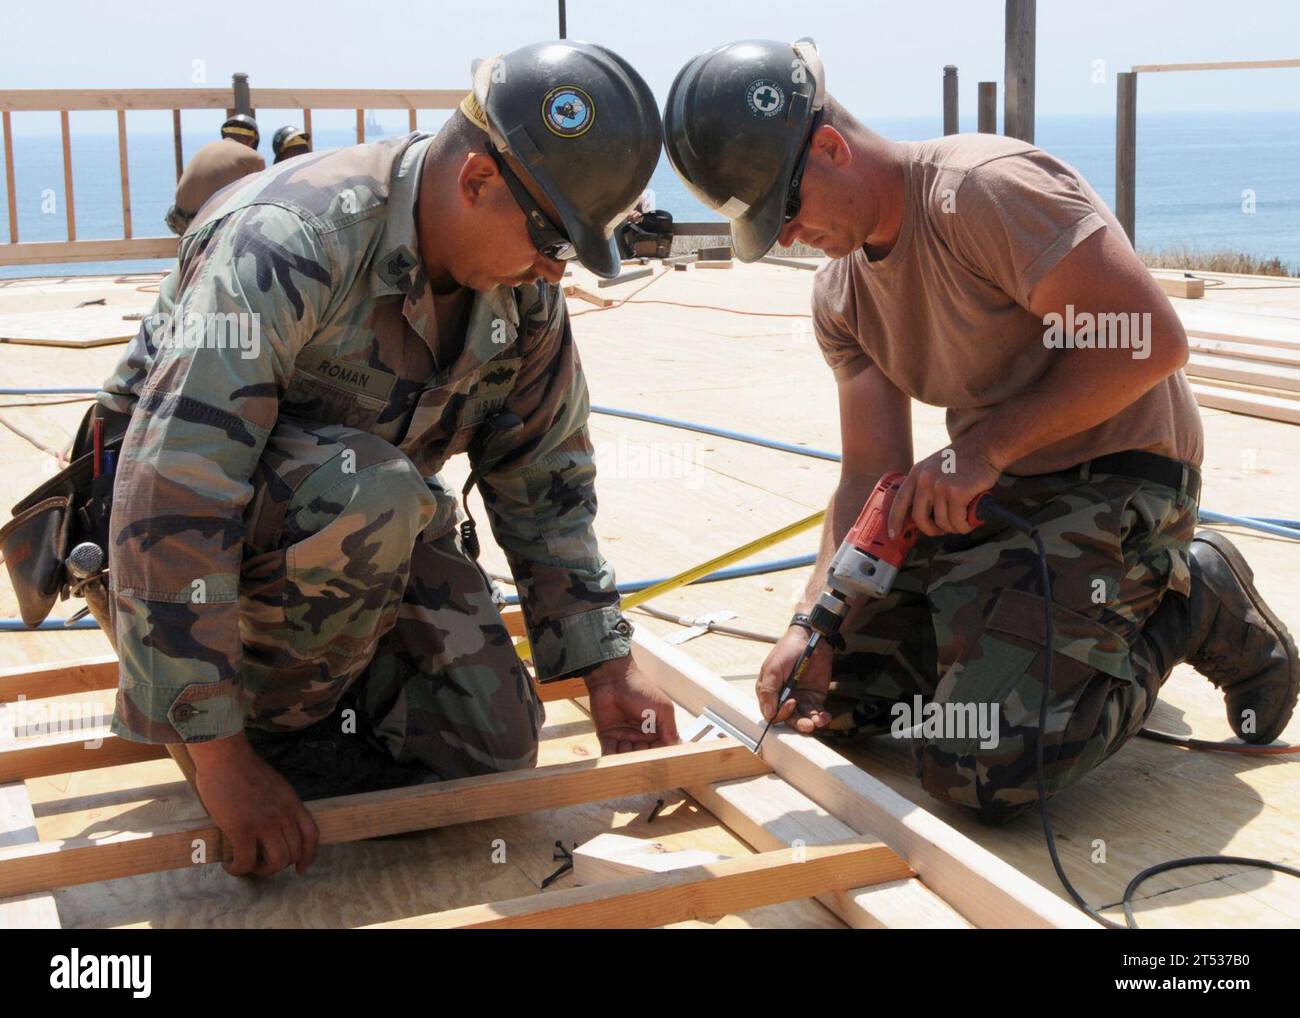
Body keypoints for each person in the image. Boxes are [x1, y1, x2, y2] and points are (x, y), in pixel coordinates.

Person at [76, 40, 674, 877]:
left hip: (342, 527)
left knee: (490, 748)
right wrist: (220, 759)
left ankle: (318, 706)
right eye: (551, 240)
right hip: (167, 532)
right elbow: (174, 487)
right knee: (376, 493)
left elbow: (544, 480)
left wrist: (606, 662)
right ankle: (250, 720)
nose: (553, 268)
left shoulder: (522, 290)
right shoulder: (291, 244)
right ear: (476, 183)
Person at [663, 38, 1297, 823]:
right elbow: (868, 476)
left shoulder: (983, 192)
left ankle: (1189, 597)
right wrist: (813, 622)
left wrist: (985, 449)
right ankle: (1028, 645)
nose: (785, 238)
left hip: (1122, 474)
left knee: (985, 766)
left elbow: (1150, 340)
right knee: (837, 699)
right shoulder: (841, 295)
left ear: (828, 148)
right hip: (998, 493)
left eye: (783, 213)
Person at [164, 114, 265, 236]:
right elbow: (257, 200)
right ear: (251, 140)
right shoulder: (253, 157)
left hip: (179, 222)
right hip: (207, 228)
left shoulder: (206, 148)